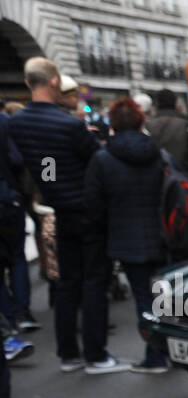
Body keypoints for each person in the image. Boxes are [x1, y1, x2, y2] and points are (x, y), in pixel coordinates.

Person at [10, 58, 132, 373]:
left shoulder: (18, 123)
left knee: (67, 283)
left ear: (27, 83)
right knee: (94, 282)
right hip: (86, 209)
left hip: (58, 207)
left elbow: (40, 164)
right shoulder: (69, 124)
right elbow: (97, 159)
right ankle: (96, 355)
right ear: (54, 82)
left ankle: (69, 354)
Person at [84, 97, 171, 373]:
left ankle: (156, 356)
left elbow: (94, 204)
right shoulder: (157, 153)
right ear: (140, 119)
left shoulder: (102, 159)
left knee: (144, 297)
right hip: (162, 232)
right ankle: (171, 349)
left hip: (125, 235)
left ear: (112, 124)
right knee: (163, 295)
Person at [0, 107, 32, 369]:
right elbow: (18, 159)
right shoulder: (5, 123)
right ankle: (21, 312)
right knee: (17, 257)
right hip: (7, 198)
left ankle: (9, 318)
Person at [146, 88, 188, 203]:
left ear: (156, 104)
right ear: (175, 103)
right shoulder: (186, 125)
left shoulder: (147, 126)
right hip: (184, 182)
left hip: (156, 183)